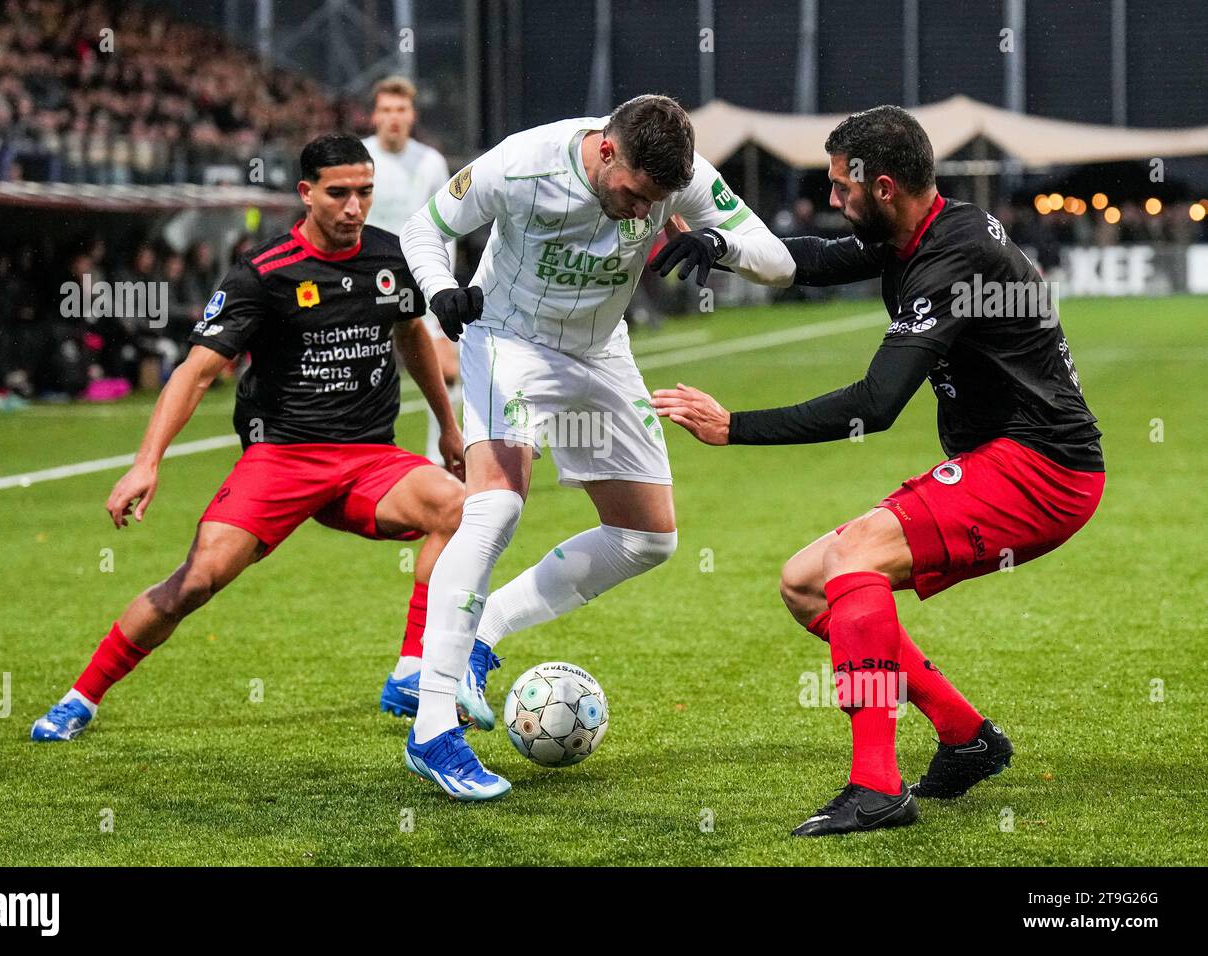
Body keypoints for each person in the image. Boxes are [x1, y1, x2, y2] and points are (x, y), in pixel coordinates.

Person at [651, 106, 1105, 836]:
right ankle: (965, 736)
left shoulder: (951, 256)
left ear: (883, 186)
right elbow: (815, 261)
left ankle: (877, 787)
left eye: (840, 188)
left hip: (1044, 469)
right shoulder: (917, 226)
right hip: (1013, 459)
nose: (833, 200)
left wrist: (734, 427)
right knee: (804, 582)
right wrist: (721, 244)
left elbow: (876, 403)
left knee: (856, 557)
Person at [397, 93, 796, 799]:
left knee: (648, 539)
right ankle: (432, 724)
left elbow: (780, 263)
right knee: (496, 509)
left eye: (657, 202)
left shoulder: (684, 176)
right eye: (636, 195)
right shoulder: (523, 164)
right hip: (509, 338)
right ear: (606, 151)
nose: (643, 212)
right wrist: (440, 290)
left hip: (600, 350)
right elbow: (421, 230)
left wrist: (718, 242)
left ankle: (481, 631)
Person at [30, 133, 466, 741]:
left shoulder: (392, 258)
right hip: (282, 459)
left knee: (460, 509)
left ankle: (412, 671)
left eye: (365, 193)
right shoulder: (262, 274)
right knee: (197, 582)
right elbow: (195, 372)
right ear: (305, 194)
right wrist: (145, 463)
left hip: (372, 460)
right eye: (338, 193)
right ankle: (82, 696)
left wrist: (448, 428)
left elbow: (412, 334)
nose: (353, 208)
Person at [361, 76, 459, 469]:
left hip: (419, 278)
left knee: (447, 370)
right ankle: (363, 458)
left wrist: (442, 284)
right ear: (374, 115)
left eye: (400, 110)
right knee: (360, 370)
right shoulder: (358, 158)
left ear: (412, 115)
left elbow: (446, 227)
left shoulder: (431, 162)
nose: (393, 118)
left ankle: (440, 459)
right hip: (364, 280)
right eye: (386, 110)